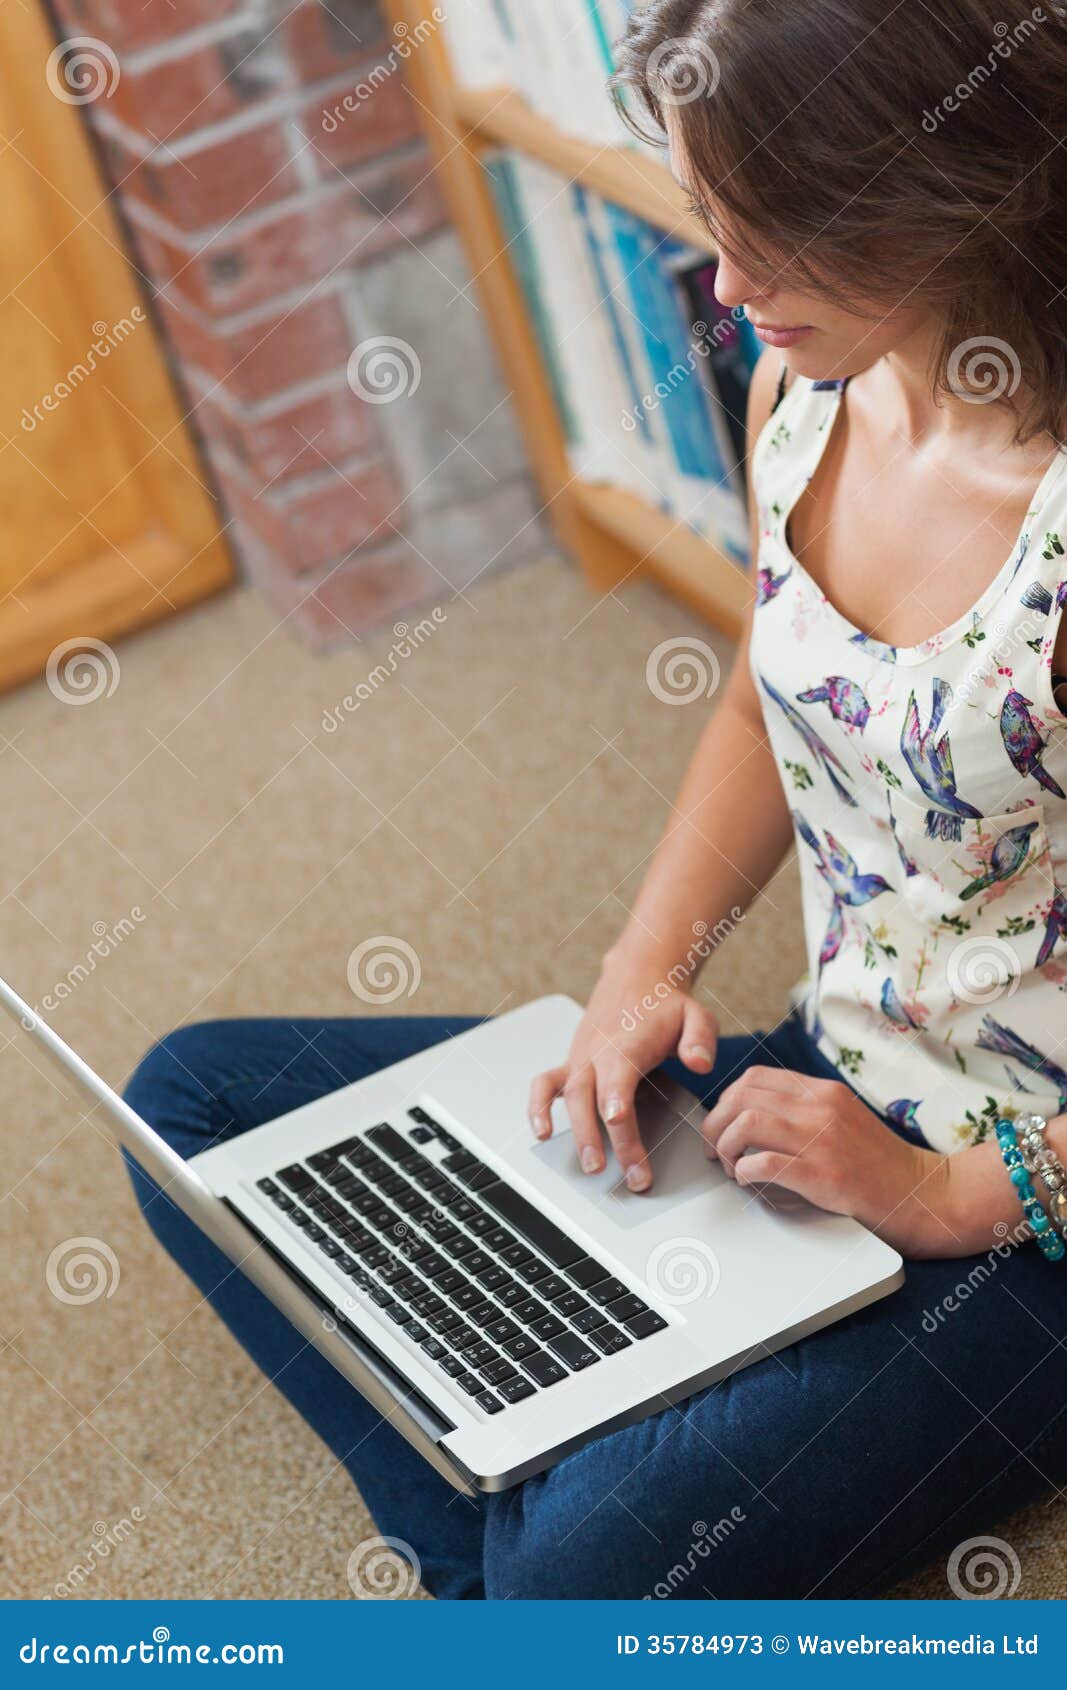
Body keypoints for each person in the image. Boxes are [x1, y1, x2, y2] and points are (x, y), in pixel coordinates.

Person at [125, 0, 1067, 1599]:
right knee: (193, 1114)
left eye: (773, 240)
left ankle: (519, 1566)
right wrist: (648, 967)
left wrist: (945, 1194)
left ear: (953, 192)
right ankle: (536, 1520)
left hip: (1018, 1227)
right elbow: (783, 699)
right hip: (811, 1091)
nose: (726, 288)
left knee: (580, 1570)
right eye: (715, 221)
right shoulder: (810, 392)